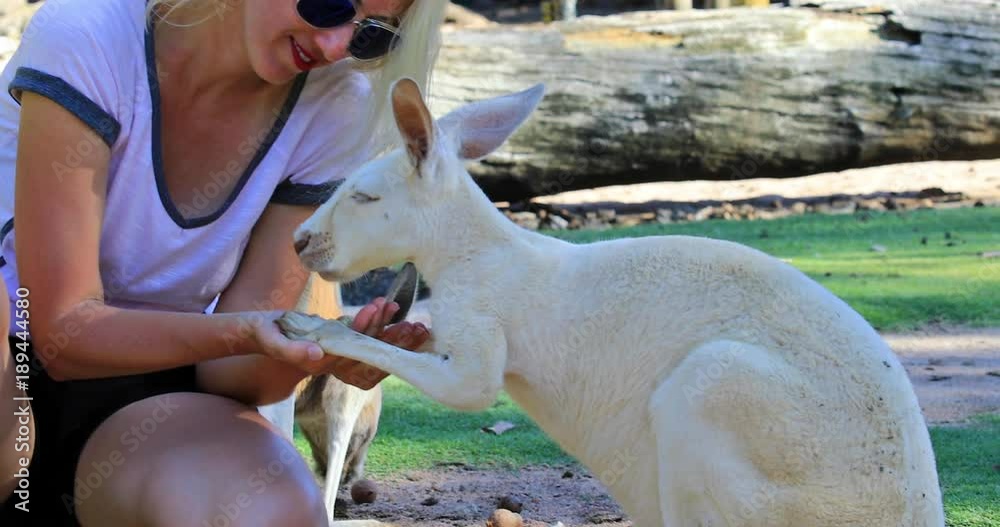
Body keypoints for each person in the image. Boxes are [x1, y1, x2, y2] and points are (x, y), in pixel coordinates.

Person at [0, 0, 447, 524]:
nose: (334, 48)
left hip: (147, 403)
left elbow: (234, 380)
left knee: (272, 511)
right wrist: (245, 331)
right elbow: (63, 335)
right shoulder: (91, 33)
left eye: (371, 35)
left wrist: (313, 351)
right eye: (330, 5)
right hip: (16, 368)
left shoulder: (337, 102)